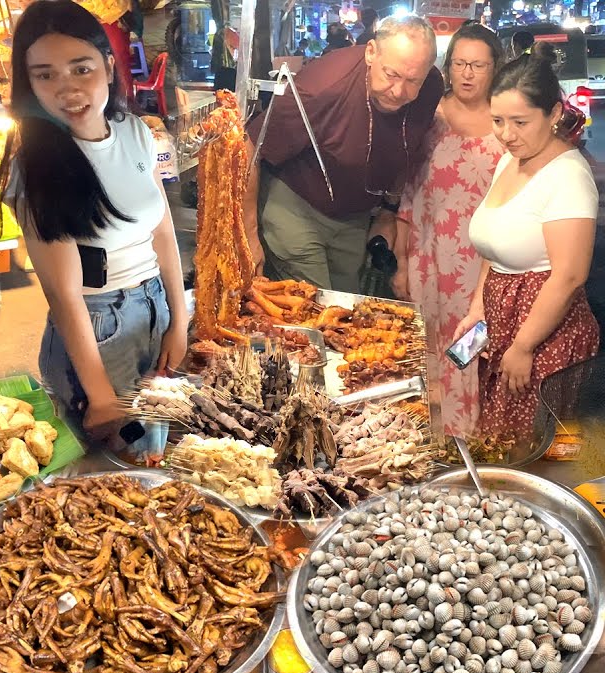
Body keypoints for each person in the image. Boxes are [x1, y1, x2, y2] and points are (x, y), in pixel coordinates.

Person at [0, 0, 188, 443]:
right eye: (45, 75)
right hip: (98, 327)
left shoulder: (137, 131)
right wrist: (100, 396)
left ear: (107, 64)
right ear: (28, 82)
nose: (66, 89)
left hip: (155, 305)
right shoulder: (36, 167)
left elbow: (161, 231)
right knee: (112, 469)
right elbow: (63, 295)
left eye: (80, 69)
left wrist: (178, 318)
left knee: (156, 449)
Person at [457, 42, 599, 437]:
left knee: (540, 451)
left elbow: (570, 276)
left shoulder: (567, 176)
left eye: (520, 122)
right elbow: (494, 245)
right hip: (504, 322)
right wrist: (477, 309)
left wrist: (523, 346)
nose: (506, 134)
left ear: (553, 113)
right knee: (499, 440)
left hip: (545, 335)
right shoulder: (510, 158)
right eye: (498, 121)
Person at [243, 16, 444, 293]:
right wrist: (249, 236)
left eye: (413, 80)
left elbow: (406, 144)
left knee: (345, 309)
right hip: (295, 205)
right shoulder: (322, 88)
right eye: (392, 75)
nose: (399, 91)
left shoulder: (430, 86)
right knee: (311, 305)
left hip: (354, 215)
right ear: (371, 52)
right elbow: (248, 147)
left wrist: (388, 210)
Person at [393, 24, 506, 436]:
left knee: (470, 346)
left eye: (478, 65)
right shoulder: (430, 116)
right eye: (459, 63)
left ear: (496, 68)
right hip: (428, 255)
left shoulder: (506, 122)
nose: (467, 74)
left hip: (482, 267)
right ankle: (428, 436)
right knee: (424, 348)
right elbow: (408, 190)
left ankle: (467, 433)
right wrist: (403, 262)